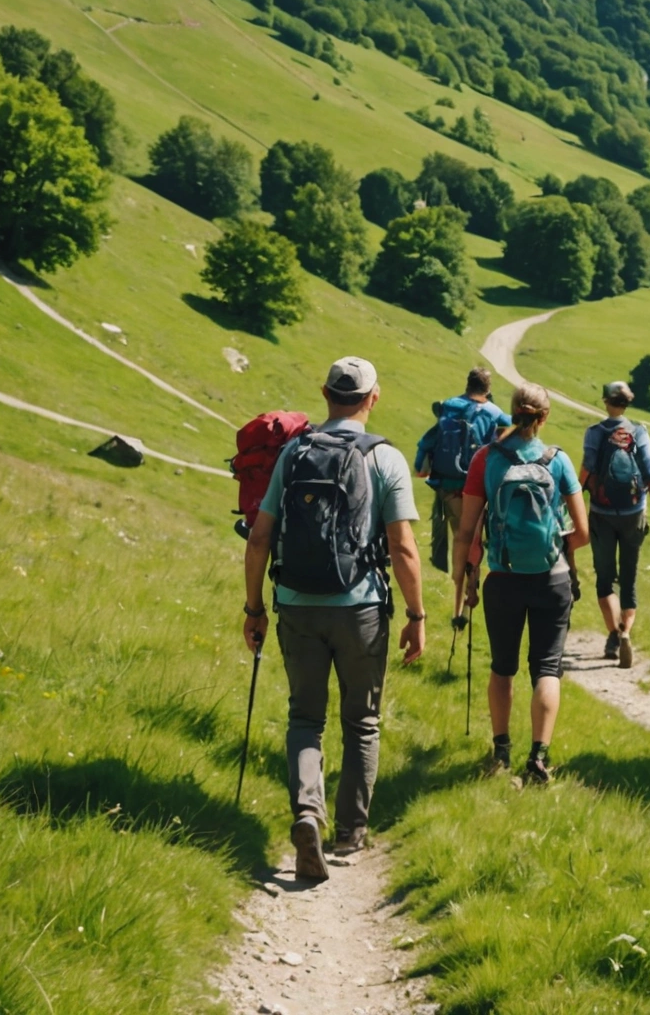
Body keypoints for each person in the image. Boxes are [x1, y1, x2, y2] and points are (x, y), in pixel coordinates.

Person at [242, 357, 426, 881]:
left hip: (296, 605)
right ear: (374, 397)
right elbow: (403, 548)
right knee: (361, 722)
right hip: (361, 608)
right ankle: (349, 834)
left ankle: (306, 812)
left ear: (325, 393)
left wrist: (254, 607)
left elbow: (259, 538)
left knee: (305, 718)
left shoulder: (294, 453)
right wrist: (416, 614)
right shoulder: (385, 458)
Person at [457, 382, 590, 783]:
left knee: (502, 668)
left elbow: (466, 532)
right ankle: (538, 759)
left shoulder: (486, 459)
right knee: (547, 669)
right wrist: (555, 541)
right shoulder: (559, 461)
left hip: (503, 578)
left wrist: (464, 577)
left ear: (510, 412)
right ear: (544, 416)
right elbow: (582, 533)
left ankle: (501, 752)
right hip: (552, 579)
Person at [581, 381, 650, 669]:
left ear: (606, 401)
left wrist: (571, 504)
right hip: (634, 512)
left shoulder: (595, 433)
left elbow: (586, 471)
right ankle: (626, 631)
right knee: (629, 579)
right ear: (627, 402)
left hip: (602, 513)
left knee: (606, 579)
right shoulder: (639, 432)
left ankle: (614, 634)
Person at [413, 367, 510, 604]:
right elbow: (511, 430)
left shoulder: (448, 406)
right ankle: (471, 584)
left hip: (448, 486)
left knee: (460, 537)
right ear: (488, 388)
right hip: (478, 486)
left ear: (468, 384)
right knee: (474, 538)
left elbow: (431, 440)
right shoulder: (495, 413)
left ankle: (460, 589)